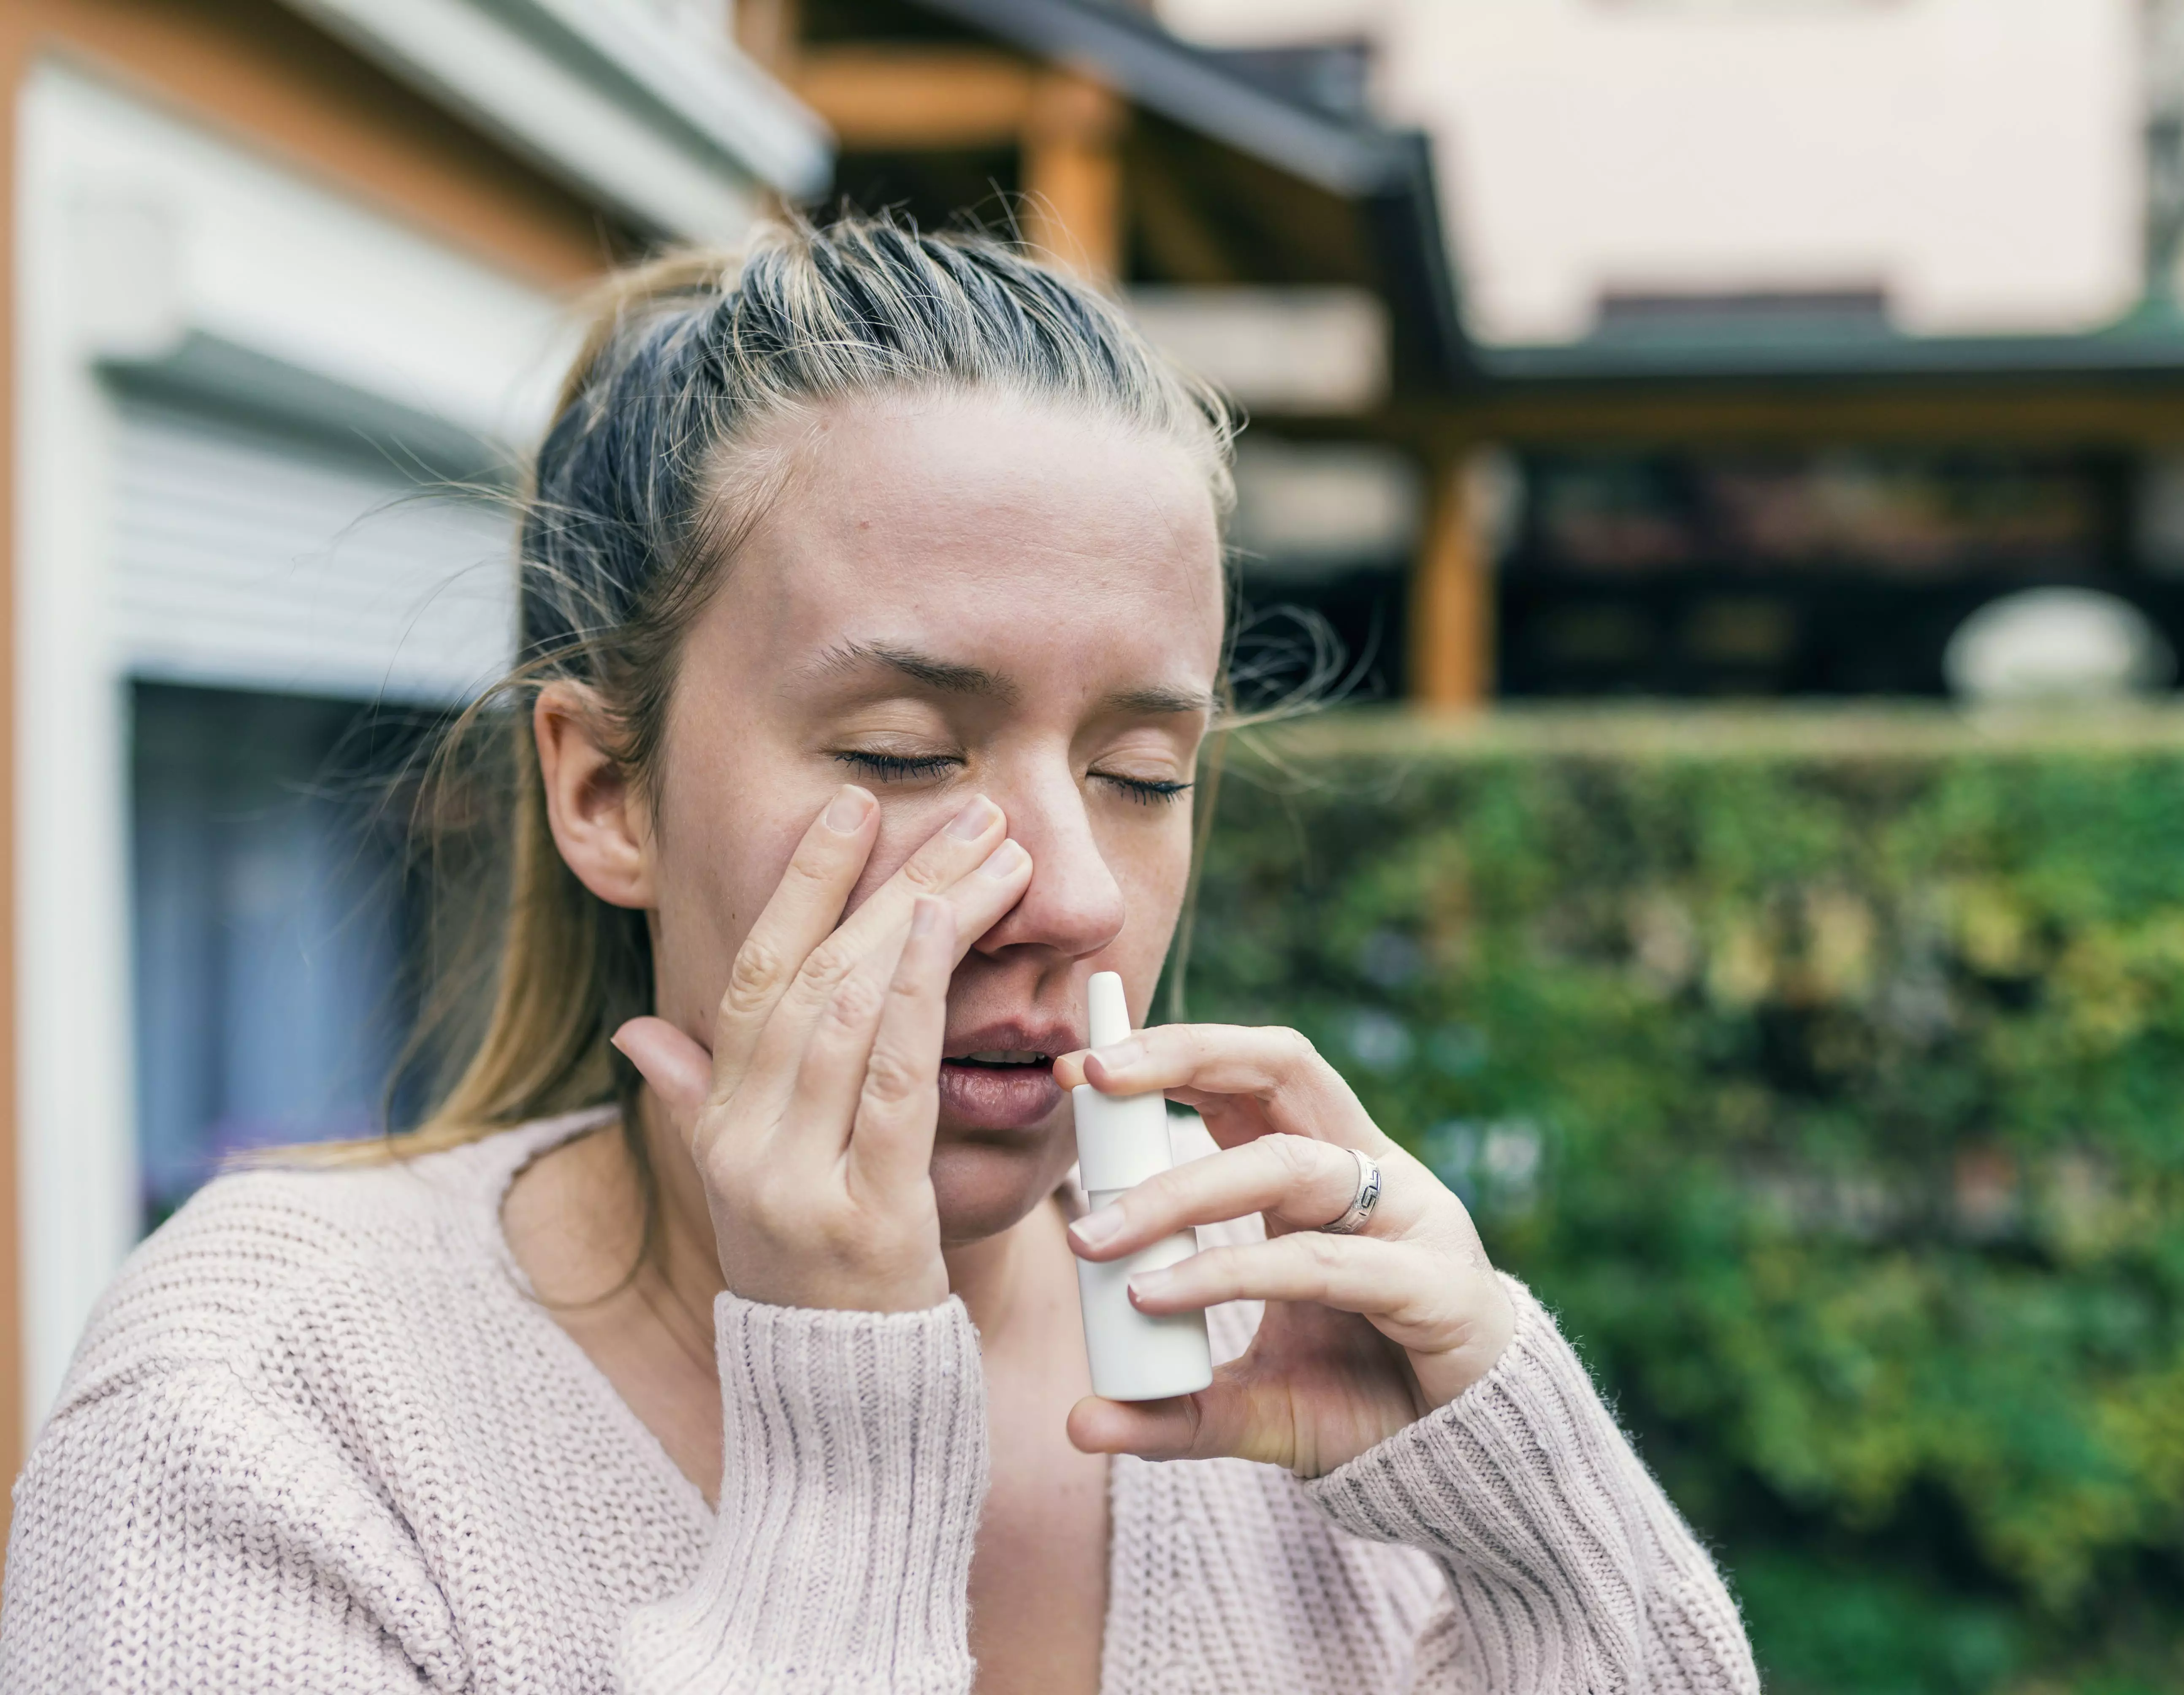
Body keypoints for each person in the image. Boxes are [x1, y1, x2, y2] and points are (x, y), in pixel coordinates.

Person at [0, 218, 1756, 1694]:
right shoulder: (276, 1397)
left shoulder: (1278, 1359)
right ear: (606, 789)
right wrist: (843, 1457)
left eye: (1143, 772)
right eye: (909, 750)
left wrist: (1525, 1517)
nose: (1069, 887)